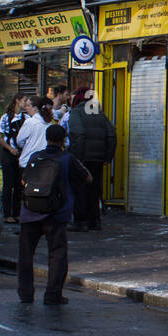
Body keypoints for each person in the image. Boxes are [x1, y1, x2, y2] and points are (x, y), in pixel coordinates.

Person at [17, 123, 90, 306]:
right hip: (56, 214)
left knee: (26, 255)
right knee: (57, 255)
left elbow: (24, 179)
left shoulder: (35, 156)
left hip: (30, 211)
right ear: (63, 140)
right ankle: (53, 295)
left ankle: (25, 294)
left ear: (47, 138)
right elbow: (87, 178)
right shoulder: (67, 159)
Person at [68, 89, 116, 231]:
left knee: (80, 189)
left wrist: (77, 158)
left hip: (83, 158)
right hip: (98, 158)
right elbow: (112, 134)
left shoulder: (76, 113)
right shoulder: (99, 113)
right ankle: (94, 220)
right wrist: (108, 157)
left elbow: (79, 134)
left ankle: (80, 221)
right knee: (94, 189)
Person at [0, 95, 29, 224]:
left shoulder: (26, 118)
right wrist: (10, 149)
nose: (26, 104)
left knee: (18, 185)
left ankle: (17, 213)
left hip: (21, 155)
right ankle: (7, 213)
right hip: (9, 154)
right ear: (17, 101)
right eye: (24, 101)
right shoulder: (6, 117)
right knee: (8, 185)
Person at [15, 97, 57, 168]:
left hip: (28, 161)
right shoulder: (49, 123)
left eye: (28, 106)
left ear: (35, 108)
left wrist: (27, 145)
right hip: (44, 162)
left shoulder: (30, 122)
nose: (26, 108)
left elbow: (19, 141)